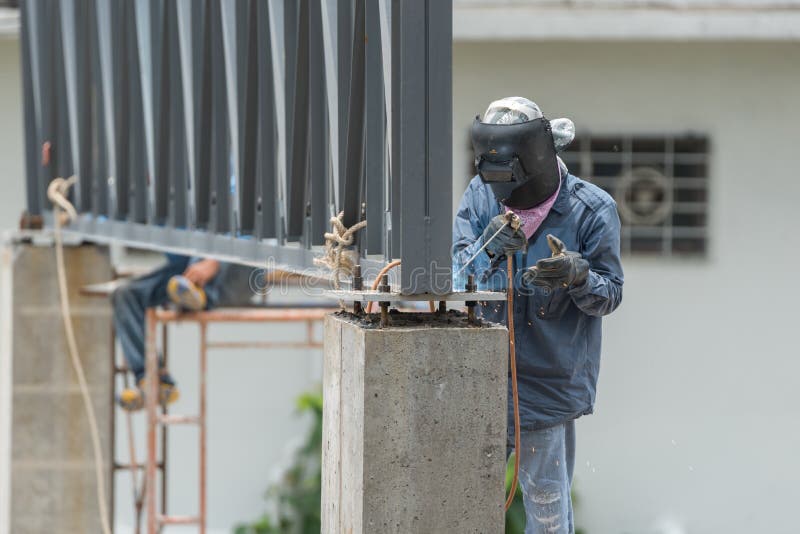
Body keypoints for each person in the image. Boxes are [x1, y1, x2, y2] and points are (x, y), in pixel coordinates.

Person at [452, 97, 624, 533]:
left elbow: (611, 294)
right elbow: (455, 276)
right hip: (481, 381)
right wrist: (486, 250)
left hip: (547, 387)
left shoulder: (591, 209)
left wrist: (578, 276)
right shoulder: (479, 196)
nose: (501, 191)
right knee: (461, 502)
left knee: (547, 511)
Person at [113, 254, 254, 410]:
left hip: (237, 270)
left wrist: (215, 261)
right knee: (126, 294)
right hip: (187, 274)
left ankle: (195, 290)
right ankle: (153, 381)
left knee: (204, 247)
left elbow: (255, 235)